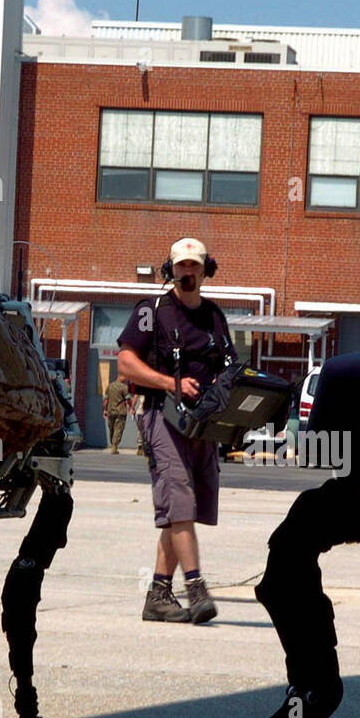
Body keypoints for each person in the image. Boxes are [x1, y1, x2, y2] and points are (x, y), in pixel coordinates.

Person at [117, 236, 232, 624]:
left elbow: (229, 368)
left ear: (205, 270)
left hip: (203, 422)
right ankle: (196, 588)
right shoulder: (152, 311)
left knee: (183, 506)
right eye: (180, 266)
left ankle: (158, 597)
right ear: (170, 270)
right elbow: (125, 365)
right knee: (179, 496)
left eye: (194, 266)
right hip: (159, 414)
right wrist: (171, 383)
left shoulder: (215, 315)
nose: (187, 272)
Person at [103, 375, 131, 454]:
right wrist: (131, 407)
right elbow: (128, 399)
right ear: (121, 377)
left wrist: (105, 410)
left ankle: (113, 444)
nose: (126, 379)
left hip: (110, 411)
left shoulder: (110, 386)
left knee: (111, 428)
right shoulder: (124, 387)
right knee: (118, 429)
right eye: (125, 377)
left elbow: (105, 400)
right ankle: (114, 446)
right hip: (120, 411)